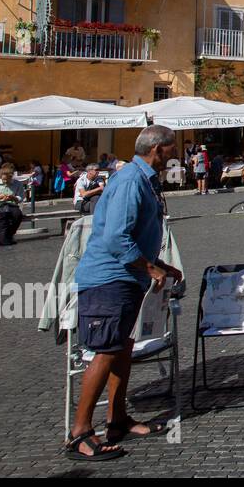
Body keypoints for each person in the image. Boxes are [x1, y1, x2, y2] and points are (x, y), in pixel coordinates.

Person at [66, 124, 181, 461]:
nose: (176, 154)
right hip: (109, 280)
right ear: (158, 149)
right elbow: (117, 237)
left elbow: (135, 234)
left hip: (128, 280)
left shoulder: (143, 180)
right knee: (104, 352)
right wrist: (150, 268)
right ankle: (80, 434)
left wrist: (160, 264)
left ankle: (117, 419)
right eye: (173, 148)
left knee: (121, 350)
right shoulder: (131, 181)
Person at [0, 163, 26, 245]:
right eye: (3, 180)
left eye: (7, 180)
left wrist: (13, 198)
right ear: (0, 176)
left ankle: (10, 234)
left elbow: (21, 197)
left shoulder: (18, 184)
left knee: (18, 215)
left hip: (11, 205)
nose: (5, 182)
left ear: (11, 177)